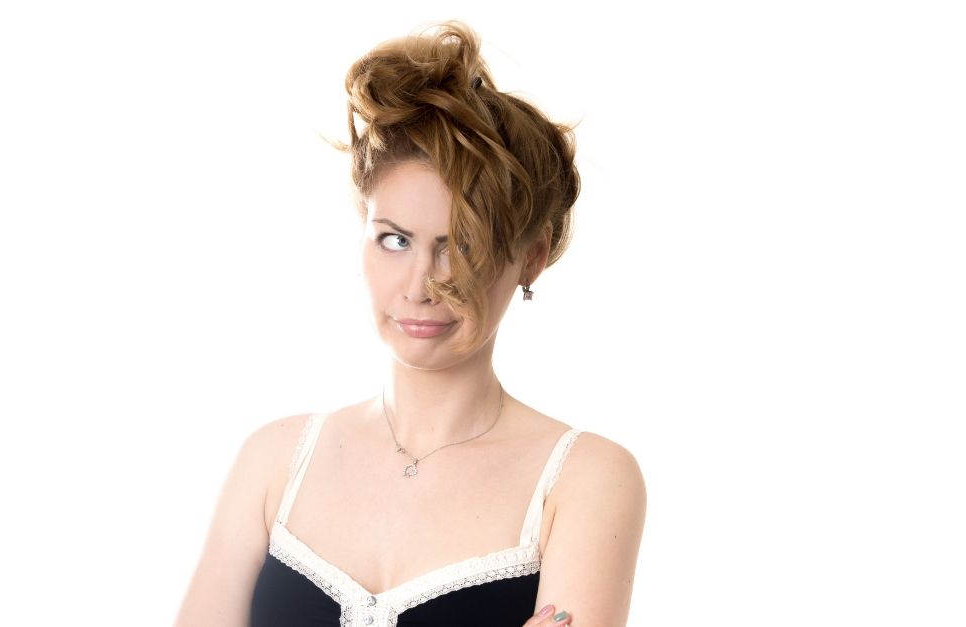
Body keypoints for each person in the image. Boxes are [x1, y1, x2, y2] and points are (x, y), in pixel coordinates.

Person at [175, 21, 646, 627]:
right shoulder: (273, 462)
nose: (421, 285)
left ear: (531, 256)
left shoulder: (585, 480)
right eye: (394, 240)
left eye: (462, 245)